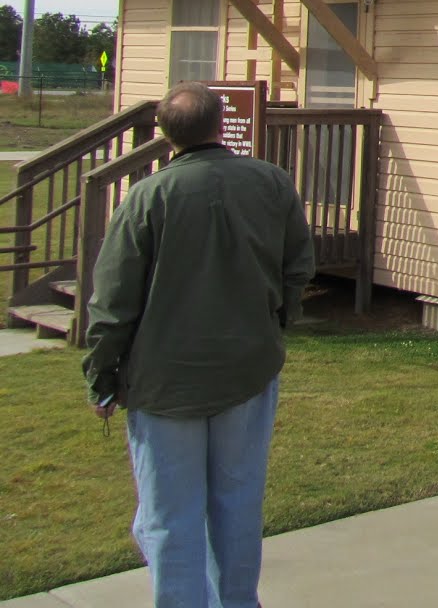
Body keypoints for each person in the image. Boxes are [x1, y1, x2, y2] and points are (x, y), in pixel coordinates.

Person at [84, 81, 316, 608]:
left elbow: (113, 300)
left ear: (165, 134)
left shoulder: (146, 197)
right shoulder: (272, 183)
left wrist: (101, 375)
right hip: (247, 373)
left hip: (165, 385)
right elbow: (298, 266)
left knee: (170, 516)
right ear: (219, 124)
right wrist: (276, 320)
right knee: (237, 503)